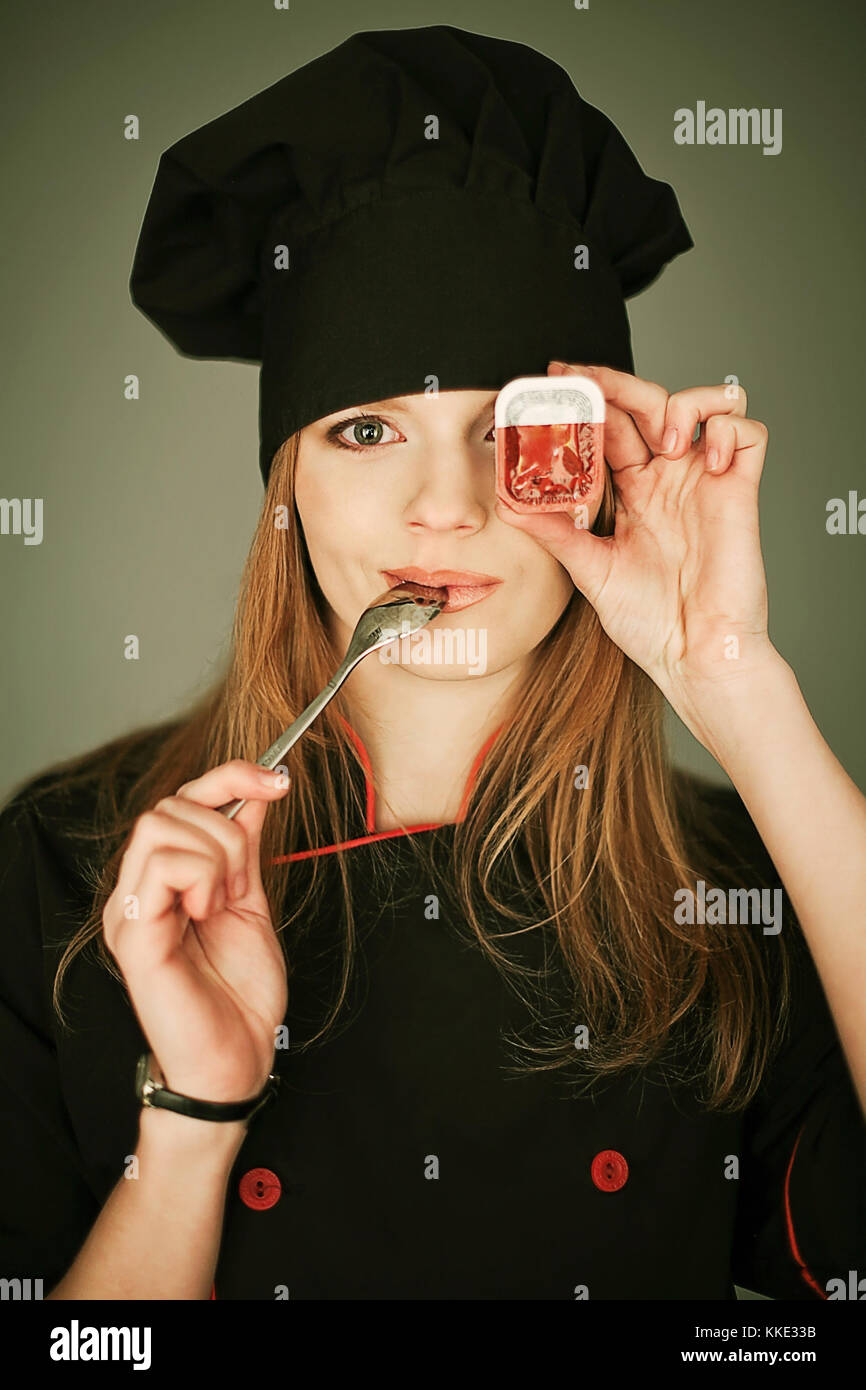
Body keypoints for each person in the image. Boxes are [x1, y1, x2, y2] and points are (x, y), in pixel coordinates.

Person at [1, 24, 864, 1302]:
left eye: (507, 428)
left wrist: (730, 670)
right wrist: (190, 1121)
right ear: (286, 487)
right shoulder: (76, 874)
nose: (443, 506)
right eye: (365, 428)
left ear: (589, 467)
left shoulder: (751, 897)